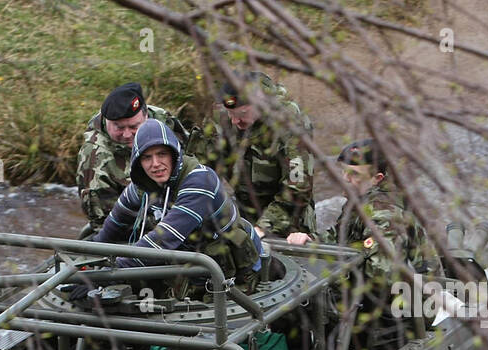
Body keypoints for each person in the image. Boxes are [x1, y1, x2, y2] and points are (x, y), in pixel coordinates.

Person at [287, 139, 439, 350]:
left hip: (403, 314)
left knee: (308, 308)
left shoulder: (384, 212)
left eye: (354, 174)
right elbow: (339, 236)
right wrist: (310, 241)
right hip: (389, 302)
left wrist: (330, 277)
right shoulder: (361, 198)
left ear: (377, 178)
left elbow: (381, 275)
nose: (345, 179)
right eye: (344, 171)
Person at [92, 118, 266, 293]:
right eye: (146, 157)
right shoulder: (142, 186)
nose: (155, 164)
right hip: (190, 264)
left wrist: (107, 275)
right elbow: (113, 224)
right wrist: (89, 264)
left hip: (234, 272)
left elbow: (164, 239)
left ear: (174, 154)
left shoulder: (201, 181)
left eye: (162, 154)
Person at [188, 71, 316, 239]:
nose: (235, 121)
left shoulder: (290, 121)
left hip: (289, 219)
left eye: (242, 114)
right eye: (230, 114)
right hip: (242, 213)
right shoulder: (221, 114)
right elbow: (198, 168)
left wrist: (263, 228)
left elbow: (298, 188)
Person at [76, 82, 185, 232]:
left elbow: (193, 160)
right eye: (119, 128)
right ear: (106, 121)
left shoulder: (163, 121)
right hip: (137, 228)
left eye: (134, 127)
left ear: (146, 116)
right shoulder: (94, 157)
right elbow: (104, 224)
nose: (127, 135)